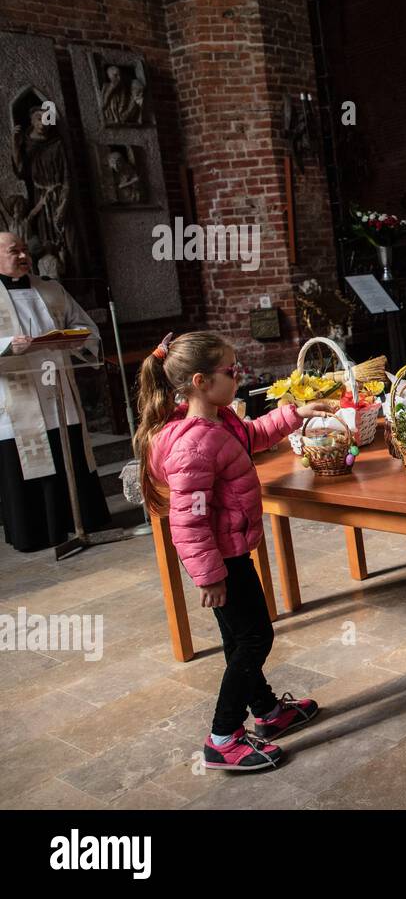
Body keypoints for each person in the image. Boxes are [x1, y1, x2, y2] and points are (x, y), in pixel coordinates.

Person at [134, 331, 330, 770]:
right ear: (201, 380)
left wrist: (295, 413)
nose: (238, 375)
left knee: (237, 637)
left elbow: (253, 436)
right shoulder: (194, 444)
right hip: (223, 560)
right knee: (256, 638)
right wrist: (210, 574)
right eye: (231, 370)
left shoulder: (222, 421)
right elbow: (189, 518)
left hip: (231, 553)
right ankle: (223, 736)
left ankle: (266, 711)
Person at [0, 233, 110, 551]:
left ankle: (81, 523)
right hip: (16, 398)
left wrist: (75, 338)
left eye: (24, 249)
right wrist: (8, 346)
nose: (23, 255)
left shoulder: (50, 288)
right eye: (13, 251)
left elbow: (85, 326)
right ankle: (36, 533)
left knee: (68, 451)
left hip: (57, 388)